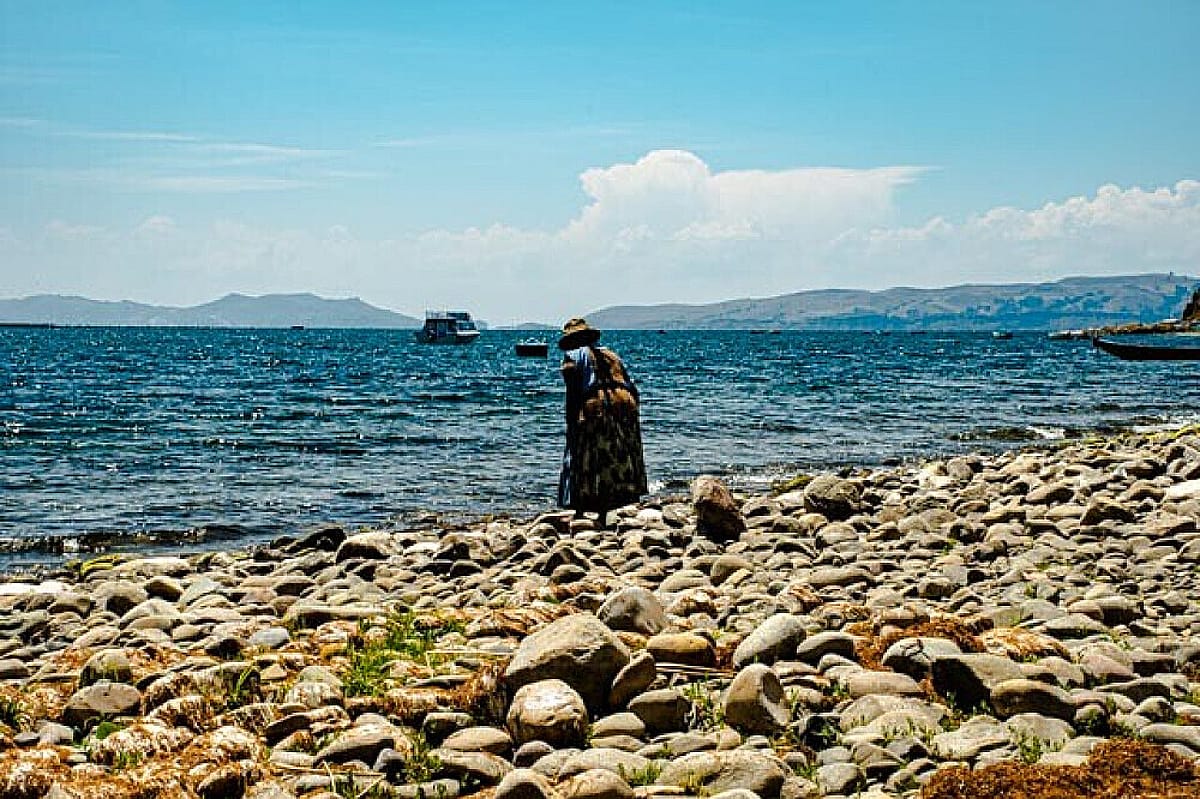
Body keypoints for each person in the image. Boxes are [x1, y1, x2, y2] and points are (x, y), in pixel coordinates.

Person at [557, 317, 647, 528]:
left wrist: (572, 420)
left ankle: (582, 509)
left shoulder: (573, 357)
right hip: (625, 403)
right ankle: (610, 507)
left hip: (596, 405)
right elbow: (630, 385)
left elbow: (573, 391)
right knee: (614, 456)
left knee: (585, 455)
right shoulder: (611, 355)